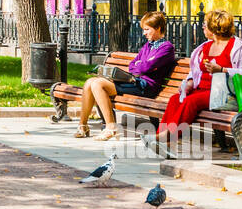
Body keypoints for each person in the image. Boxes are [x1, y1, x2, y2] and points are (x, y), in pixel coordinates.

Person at [73, 11, 177, 141]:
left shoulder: (166, 48)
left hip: (146, 86)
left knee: (97, 84)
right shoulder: (147, 46)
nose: (144, 33)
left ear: (158, 28)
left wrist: (142, 65)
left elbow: (145, 67)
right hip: (136, 81)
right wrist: (142, 65)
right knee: (90, 82)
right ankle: (83, 126)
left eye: (147, 29)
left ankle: (111, 127)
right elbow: (132, 65)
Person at [157, 8, 242, 140]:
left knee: (192, 101)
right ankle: (160, 138)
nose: (203, 27)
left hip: (225, 94)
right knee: (175, 99)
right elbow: (195, 70)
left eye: (205, 24)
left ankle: (168, 136)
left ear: (215, 28)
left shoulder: (238, 48)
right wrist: (190, 82)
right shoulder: (205, 47)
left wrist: (222, 70)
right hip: (201, 90)